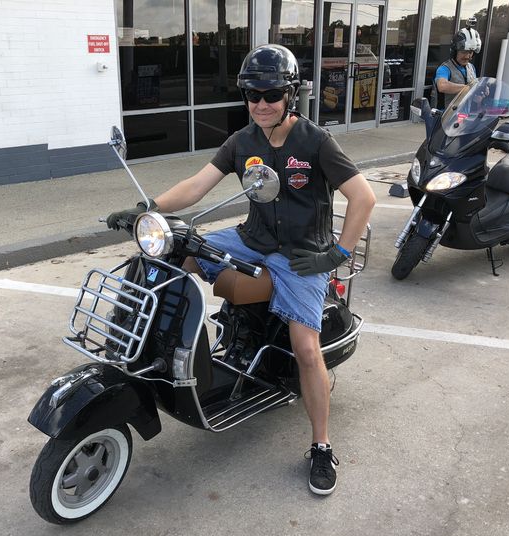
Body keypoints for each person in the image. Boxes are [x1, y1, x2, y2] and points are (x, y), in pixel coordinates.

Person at [107, 44, 376, 496]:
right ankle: (160, 351)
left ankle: (322, 446)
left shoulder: (314, 142)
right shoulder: (243, 141)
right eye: (252, 94)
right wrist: (147, 208)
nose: (261, 104)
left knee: (306, 349)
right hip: (250, 240)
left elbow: (364, 197)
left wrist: (336, 255)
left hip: (300, 254)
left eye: (271, 94)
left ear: (290, 93)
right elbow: (197, 185)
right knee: (170, 251)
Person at [433, 19, 482, 109]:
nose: (467, 56)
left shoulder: (471, 68)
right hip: (446, 117)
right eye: (463, 52)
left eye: (470, 52)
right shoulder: (445, 68)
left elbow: (474, 94)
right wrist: (469, 88)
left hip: (465, 114)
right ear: (455, 51)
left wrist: (481, 93)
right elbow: (442, 86)